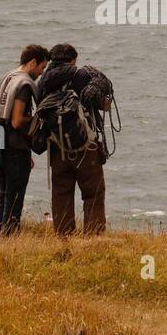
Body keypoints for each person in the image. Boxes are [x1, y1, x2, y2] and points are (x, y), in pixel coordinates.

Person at [36, 43, 112, 236]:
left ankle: (64, 238)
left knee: (61, 194)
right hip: (85, 147)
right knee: (93, 192)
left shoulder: (43, 82)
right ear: (73, 60)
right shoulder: (81, 76)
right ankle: (93, 238)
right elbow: (104, 105)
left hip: (56, 147)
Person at [0, 44, 48, 235]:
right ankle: (9, 237)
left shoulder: (8, 78)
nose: (41, 73)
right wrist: (39, 120)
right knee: (15, 197)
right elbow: (17, 121)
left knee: (4, 194)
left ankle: (1, 234)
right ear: (33, 62)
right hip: (15, 147)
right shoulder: (24, 84)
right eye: (42, 67)